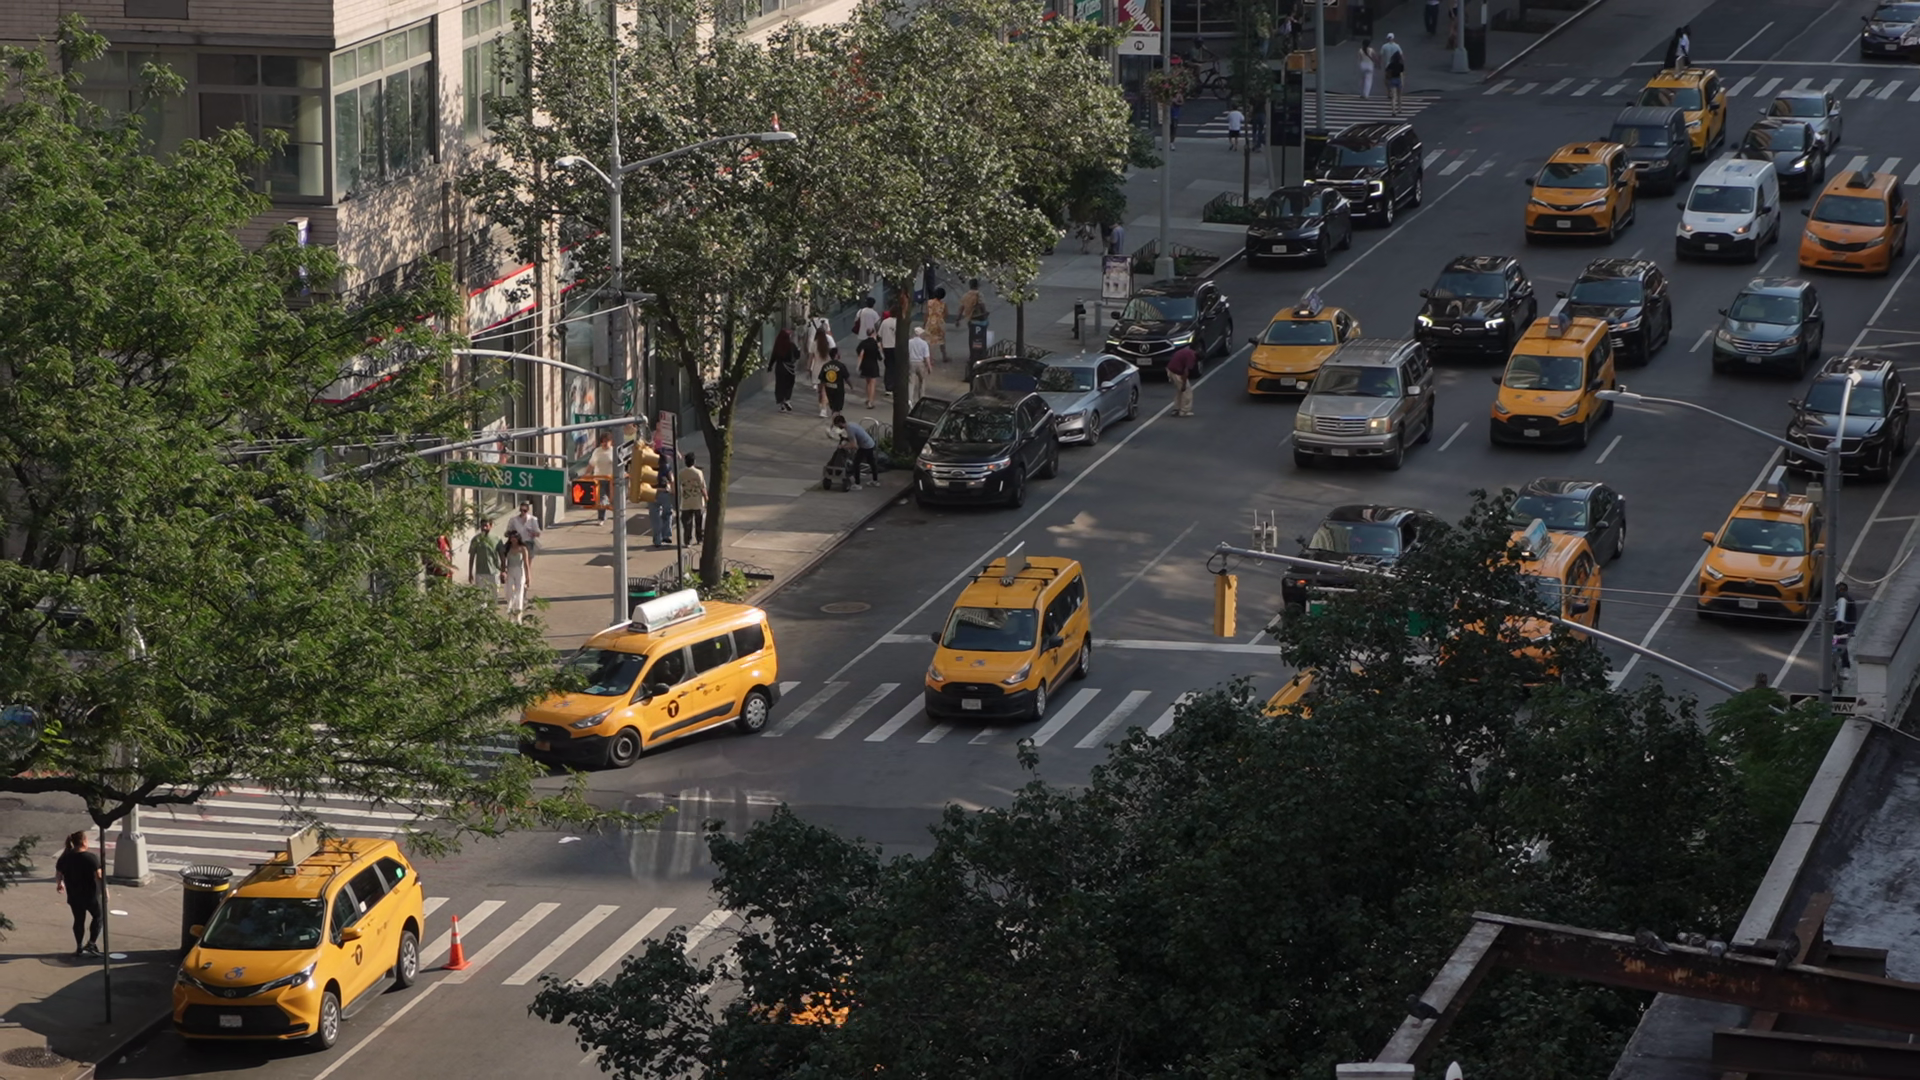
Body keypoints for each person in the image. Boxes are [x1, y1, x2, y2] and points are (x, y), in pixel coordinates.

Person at [55, 831, 103, 956]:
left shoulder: (65, 857)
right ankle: (91, 943)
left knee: (79, 920)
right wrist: (105, 891)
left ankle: (79, 946)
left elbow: (59, 873)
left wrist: (60, 883)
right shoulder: (92, 858)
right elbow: (99, 876)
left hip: (74, 895)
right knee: (98, 917)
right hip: (91, 895)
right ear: (84, 841)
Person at [833, 414, 880, 488]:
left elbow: (854, 446)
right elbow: (854, 437)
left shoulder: (849, 430)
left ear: (840, 423)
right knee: (872, 462)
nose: (838, 427)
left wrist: (843, 446)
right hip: (870, 443)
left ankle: (857, 483)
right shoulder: (851, 424)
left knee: (856, 463)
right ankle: (875, 480)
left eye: (837, 425)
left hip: (865, 446)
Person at [467, 518, 501, 601]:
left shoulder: (496, 539)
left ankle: (492, 612)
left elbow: (502, 555)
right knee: (481, 597)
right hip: (480, 572)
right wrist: (470, 572)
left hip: (494, 572)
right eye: (482, 526)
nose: (484, 528)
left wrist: (503, 570)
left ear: (491, 526)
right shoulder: (476, 539)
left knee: (494, 596)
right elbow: (471, 557)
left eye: (486, 525)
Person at [679, 452, 707, 547]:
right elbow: (702, 487)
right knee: (699, 522)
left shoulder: (681, 473)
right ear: (694, 461)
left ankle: (687, 541)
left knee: (687, 523)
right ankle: (699, 539)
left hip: (686, 502)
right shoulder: (698, 473)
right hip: (697, 501)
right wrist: (706, 497)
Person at [502, 531, 531, 623]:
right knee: (509, 592)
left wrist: (528, 577)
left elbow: (526, 564)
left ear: (518, 538)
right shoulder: (507, 548)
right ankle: (510, 615)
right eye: (511, 537)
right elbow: (504, 562)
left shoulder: (523, 548)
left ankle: (518, 617)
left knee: (519, 592)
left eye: (515, 537)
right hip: (510, 571)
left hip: (519, 571)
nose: (513, 539)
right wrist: (503, 572)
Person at [650, 448, 676, 548]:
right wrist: (673, 491)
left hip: (651, 492)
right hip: (664, 492)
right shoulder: (666, 466)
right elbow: (672, 479)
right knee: (667, 513)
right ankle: (666, 534)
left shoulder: (650, 466)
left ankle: (657, 540)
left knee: (655, 518)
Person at [1167, 341, 1200, 417]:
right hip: (1176, 372)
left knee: (1180, 390)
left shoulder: (1189, 352)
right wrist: (1184, 384)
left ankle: (1177, 408)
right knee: (1187, 391)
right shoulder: (1192, 358)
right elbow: (1186, 372)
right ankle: (1184, 410)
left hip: (1170, 369)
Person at [589, 433, 615, 523]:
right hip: (599, 478)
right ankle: (601, 517)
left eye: (607, 441)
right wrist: (587, 474)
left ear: (611, 442)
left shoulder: (614, 452)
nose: (605, 443)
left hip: (611, 479)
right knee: (601, 499)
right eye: (603, 442)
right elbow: (592, 464)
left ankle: (617, 514)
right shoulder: (597, 451)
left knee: (613, 499)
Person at [771, 326, 798, 413]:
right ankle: (787, 399)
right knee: (789, 384)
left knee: (779, 385)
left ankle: (781, 403)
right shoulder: (791, 345)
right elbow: (797, 355)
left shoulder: (777, 346)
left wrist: (770, 366)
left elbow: (773, 356)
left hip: (780, 367)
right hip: (789, 368)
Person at [819, 346, 850, 418]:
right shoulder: (841, 366)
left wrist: (820, 388)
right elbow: (846, 377)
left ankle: (834, 422)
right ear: (836, 355)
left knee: (833, 407)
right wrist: (851, 385)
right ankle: (836, 423)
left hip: (829, 389)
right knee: (837, 409)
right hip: (839, 390)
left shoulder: (826, 365)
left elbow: (822, 379)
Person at [907, 326, 933, 406]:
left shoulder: (909, 342)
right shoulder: (924, 343)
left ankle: (910, 399)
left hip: (911, 362)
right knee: (922, 381)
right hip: (920, 363)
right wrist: (929, 367)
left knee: (911, 382)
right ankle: (921, 398)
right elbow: (926, 357)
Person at [878, 305, 899, 400]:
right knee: (895, 367)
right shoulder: (898, 323)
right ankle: (895, 385)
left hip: (886, 346)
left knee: (888, 366)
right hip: (895, 347)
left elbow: (879, 335)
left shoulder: (885, 322)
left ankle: (888, 387)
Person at [857, 333, 884, 409]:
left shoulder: (863, 343)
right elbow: (880, 357)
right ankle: (870, 401)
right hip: (873, 365)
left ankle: (868, 398)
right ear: (873, 334)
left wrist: (858, 365)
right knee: (872, 384)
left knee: (868, 382)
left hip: (865, 365)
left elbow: (859, 352)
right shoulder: (875, 344)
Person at [924, 288, 950, 363]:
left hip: (930, 322)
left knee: (929, 341)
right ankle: (944, 357)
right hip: (939, 324)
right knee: (941, 341)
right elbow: (946, 314)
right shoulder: (943, 304)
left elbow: (926, 314)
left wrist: (924, 323)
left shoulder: (929, 302)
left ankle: (930, 359)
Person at [808, 319, 832, 388]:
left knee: (819, 388)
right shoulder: (828, 343)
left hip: (817, 368)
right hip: (828, 367)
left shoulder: (814, 344)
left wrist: (808, 367)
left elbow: (810, 357)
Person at [1384, 38, 1406, 116]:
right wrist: (1402, 82)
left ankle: (1393, 111)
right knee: (1400, 96)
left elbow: (1387, 72)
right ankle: (1400, 109)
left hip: (1392, 80)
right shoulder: (1401, 65)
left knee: (1393, 97)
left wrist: (1387, 81)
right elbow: (1402, 74)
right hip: (1398, 80)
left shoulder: (1391, 64)